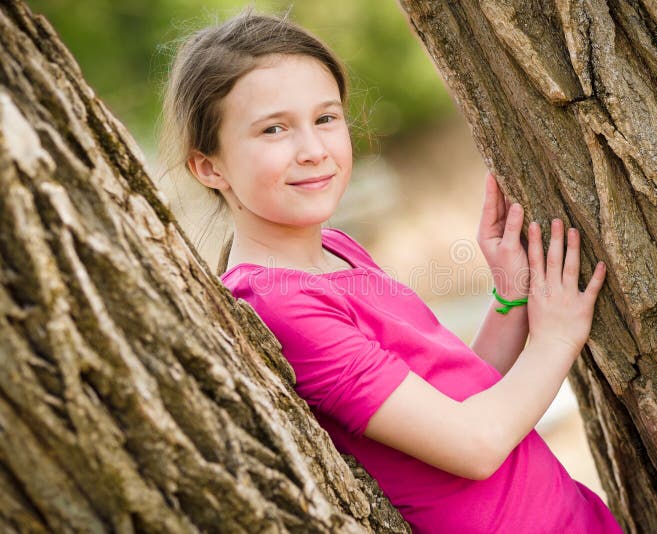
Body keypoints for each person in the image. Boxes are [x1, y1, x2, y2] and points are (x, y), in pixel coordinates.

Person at [158, 7, 622, 533]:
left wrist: (511, 297)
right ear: (209, 166)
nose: (313, 150)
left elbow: (456, 401)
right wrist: (556, 339)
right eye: (273, 129)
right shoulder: (277, 305)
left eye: (326, 118)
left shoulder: (337, 249)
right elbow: (474, 445)